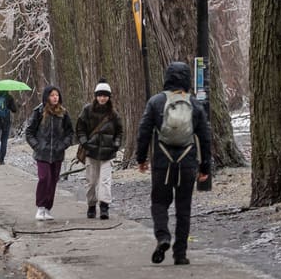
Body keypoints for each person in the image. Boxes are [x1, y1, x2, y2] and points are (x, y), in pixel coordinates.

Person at [136, 61, 212, 266]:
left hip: (162, 162)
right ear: (187, 80)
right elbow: (205, 138)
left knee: (159, 203)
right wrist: (205, 167)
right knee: (183, 209)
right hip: (187, 163)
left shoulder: (156, 102)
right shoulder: (195, 104)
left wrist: (141, 159)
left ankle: (163, 237)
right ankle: (180, 254)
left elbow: (143, 132)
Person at [76, 80, 124, 219]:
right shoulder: (87, 110)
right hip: (91, 152)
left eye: (105, 95)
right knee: (91, 181)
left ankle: (104, 207)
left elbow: (119, 131)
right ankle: (91, 205)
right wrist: (85, 143)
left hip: (108, 153)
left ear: (109, 97)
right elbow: (80, 129)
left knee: (105, 181)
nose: (102, 98)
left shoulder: (113, 114)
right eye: (100, 95)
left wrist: (116, 144)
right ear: (96, 96)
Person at [25, 84, 73, 221]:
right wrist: (36, 146)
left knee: (53, 181)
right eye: (52, 95)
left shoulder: (63, 113)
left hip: (57, 153)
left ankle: (48, 208)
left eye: (57, 95)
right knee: (44, 178)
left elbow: (70, 132)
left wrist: (64, 145)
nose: (55, 97)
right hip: (42, 153)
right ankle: (40, 207)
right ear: (47, 97)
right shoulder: (39, 112)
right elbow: (29, 132)